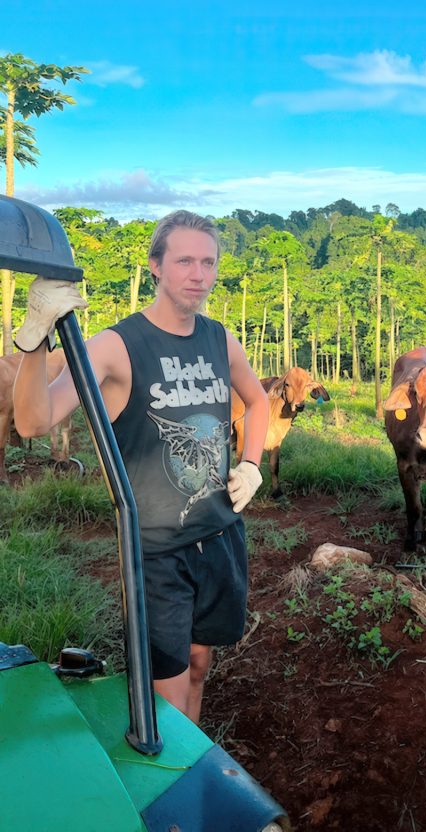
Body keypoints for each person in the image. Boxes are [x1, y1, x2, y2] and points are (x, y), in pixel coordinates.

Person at [13, 210, 270, 724]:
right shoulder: (117, 345)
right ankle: (174, 785)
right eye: (184, 261)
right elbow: (32, 422)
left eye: (208, 262)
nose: (198, 274)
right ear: (156, 266)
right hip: (154, 551)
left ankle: (193, 763)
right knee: (167, 701)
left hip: (220, 534)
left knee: (200, 664)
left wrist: (250, 465)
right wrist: (34, 336)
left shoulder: (220, 340)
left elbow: (258, 401)